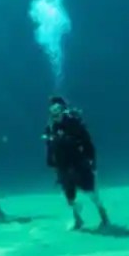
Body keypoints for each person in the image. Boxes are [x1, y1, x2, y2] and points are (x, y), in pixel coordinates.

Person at [42, 96, 110, 230]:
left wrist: (92, 163)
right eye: (52, 111)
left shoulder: (74, 124)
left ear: (63, 110)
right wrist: (51, 163)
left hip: (78, 162)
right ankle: (78, 219)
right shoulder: (50, 127)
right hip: (62, 166)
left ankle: (103, 215)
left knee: (92, 193)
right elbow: (50, 146)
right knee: (69, 197)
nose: (55, 114)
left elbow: (88, 144)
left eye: (58, 110)